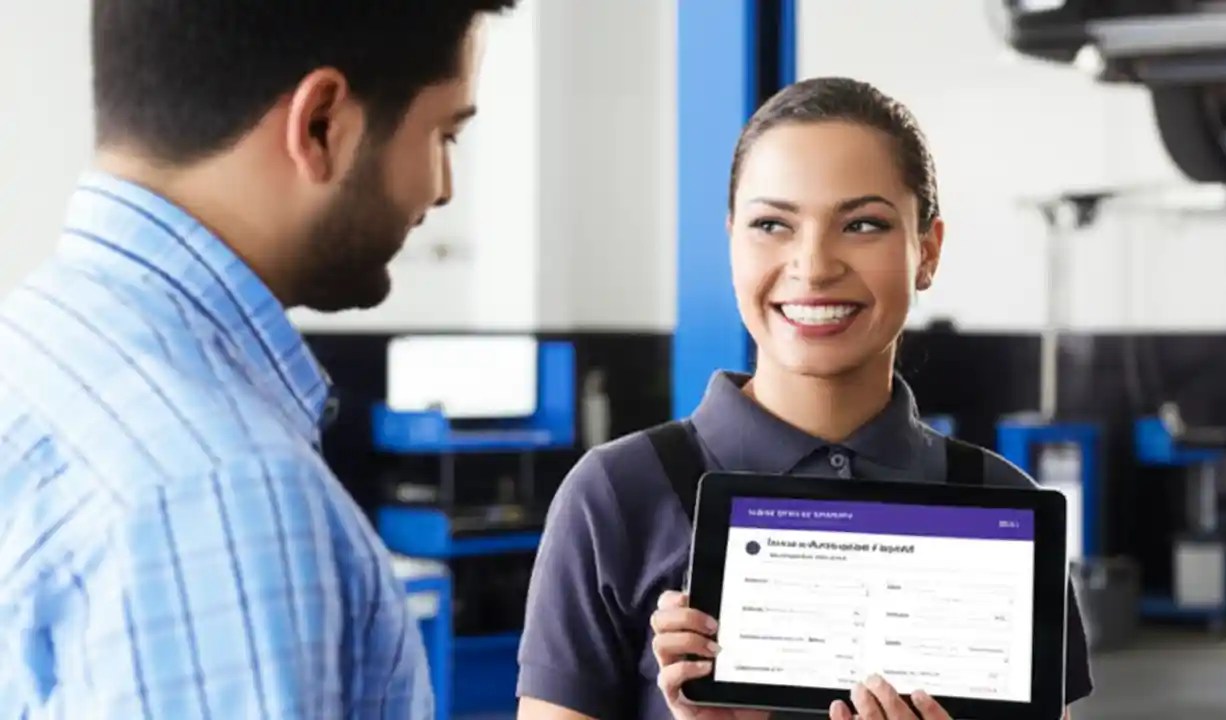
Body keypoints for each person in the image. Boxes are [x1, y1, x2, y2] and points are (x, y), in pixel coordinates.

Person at [515, 77, 1093, 720]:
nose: (813, 265)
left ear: (926, 251)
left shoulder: (1003, 506)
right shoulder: (617, 496)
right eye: (772, 224)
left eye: (863, 224)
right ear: (732, 241)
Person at [0, 2, 515, 718]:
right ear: (320, 124)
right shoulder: (224, 488)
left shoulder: (35, 347)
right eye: (443, 134)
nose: (443, 187)